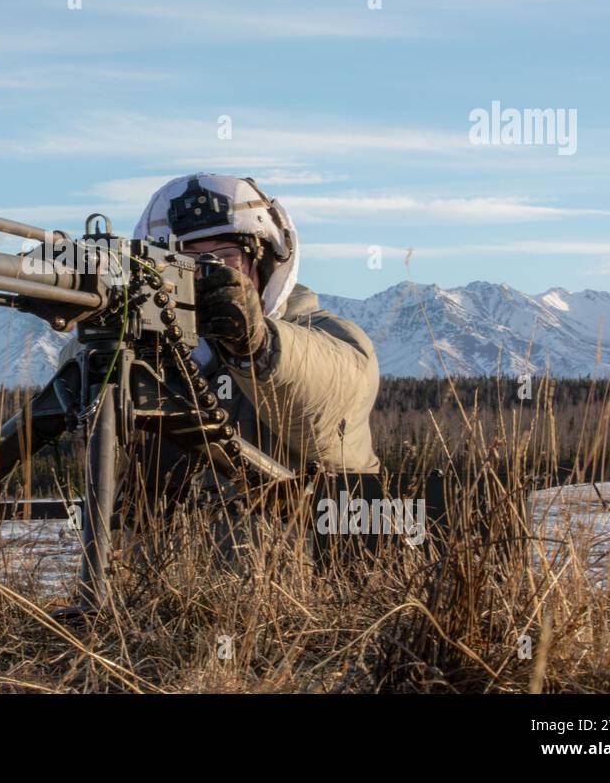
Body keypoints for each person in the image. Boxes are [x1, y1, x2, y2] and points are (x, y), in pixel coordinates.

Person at [59, 173, 381, 556]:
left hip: (303, 589)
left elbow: (331, 400)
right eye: (183, 263)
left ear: (263, 266)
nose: (203, 275)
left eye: (226, 259)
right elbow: (77, 391)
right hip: (156, 597)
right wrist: (112, 330)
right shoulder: (149, 350)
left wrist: (255, 343)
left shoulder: (332, 338)